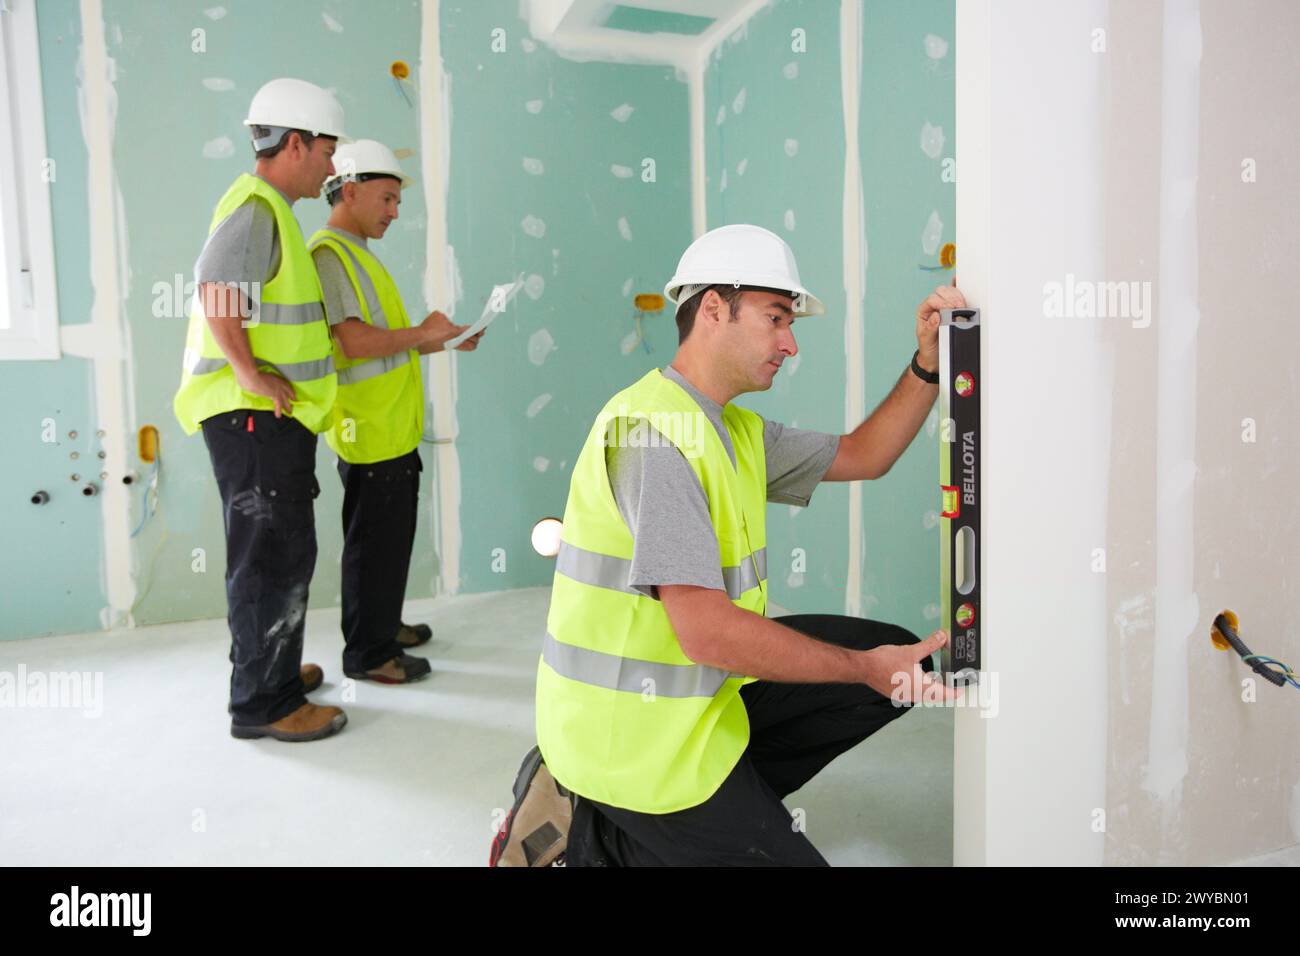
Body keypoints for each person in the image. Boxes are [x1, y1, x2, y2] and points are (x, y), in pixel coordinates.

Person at [493, 223, 963, 866]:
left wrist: (928, 364)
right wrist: (864, 668)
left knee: (893, 666)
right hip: (628, 745)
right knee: (868, 670)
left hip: (696, 702)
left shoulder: (733, 429)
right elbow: (708, 634)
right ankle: (596, 839)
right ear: (714, 307)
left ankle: (692, 830)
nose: (790, 343)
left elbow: (867, 454)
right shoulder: (652, 436)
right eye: (776, 319)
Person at [174, 77, 348, 742]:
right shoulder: (255, 207)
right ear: (296, 143)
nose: (332, 167)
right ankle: (263, 705)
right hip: (251, 417)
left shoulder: (269, 210)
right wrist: (251, 374)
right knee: (269, 555)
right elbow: (219, 292)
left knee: (281, 549)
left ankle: (271, 671)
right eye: (327, 151)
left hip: (265, 420)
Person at [308, 139, 483, 684]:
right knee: (372, 546)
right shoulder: (329, 255)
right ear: (351, 191)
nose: (394, 212)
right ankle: (368, 653)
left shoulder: (357, 254)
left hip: (389, 428)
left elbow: (388, 342)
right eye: (386, 199)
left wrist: (444, 339)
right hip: (368, 431)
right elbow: (355, 343)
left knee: (389, 541)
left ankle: (383, 624)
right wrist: (423, 334)